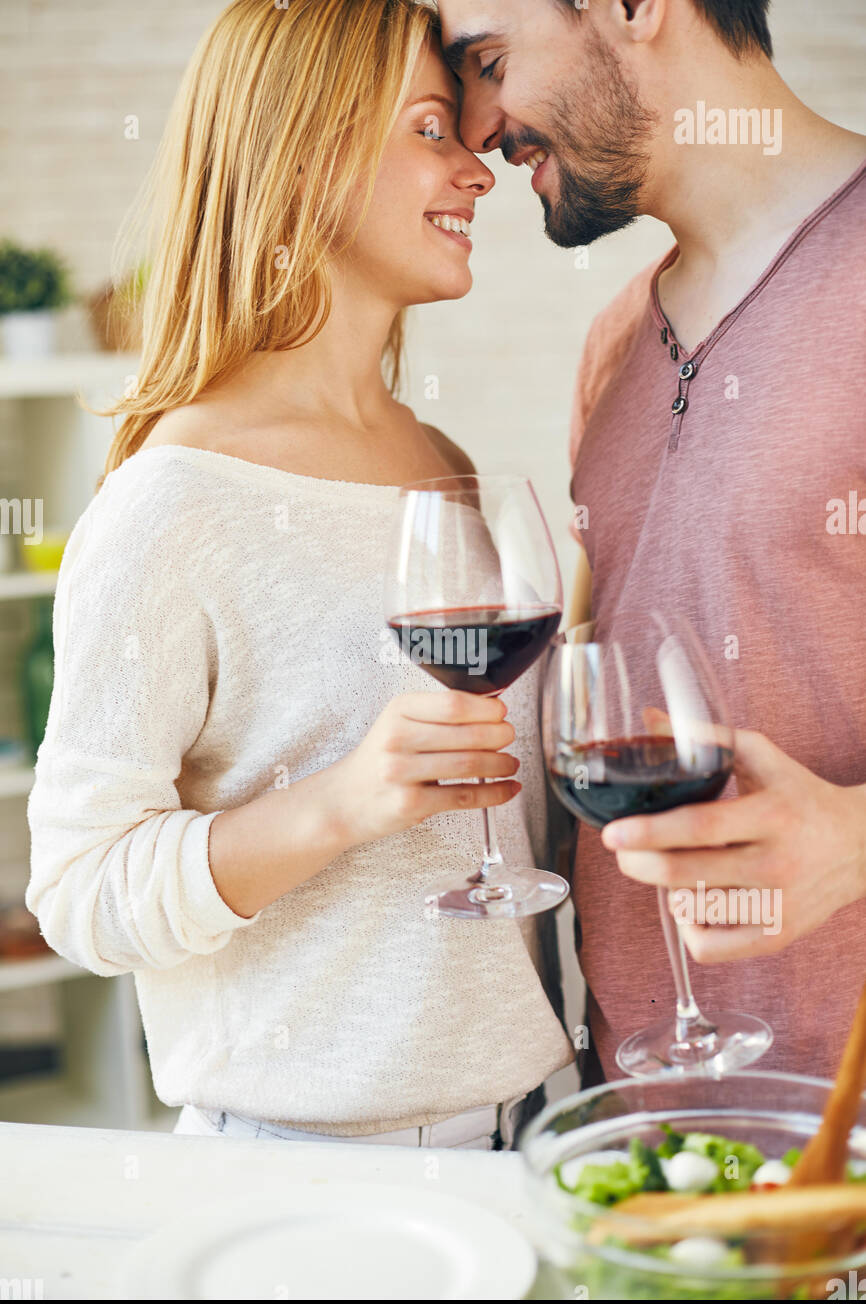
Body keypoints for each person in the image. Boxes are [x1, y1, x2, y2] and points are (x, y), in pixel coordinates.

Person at [25, 0, 574, 1148]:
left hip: (519, 1123)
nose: (476, 169)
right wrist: (337, 805)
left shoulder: (442, 467)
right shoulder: (171, 503)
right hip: (308, 1157)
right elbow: (80, 894)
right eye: (432, 128)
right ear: (304, 149)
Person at [437, 0, 866, 1080]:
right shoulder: (615, 339)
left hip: (835, 1139)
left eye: (490, 61)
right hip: (638, 1110)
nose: (480, 125)